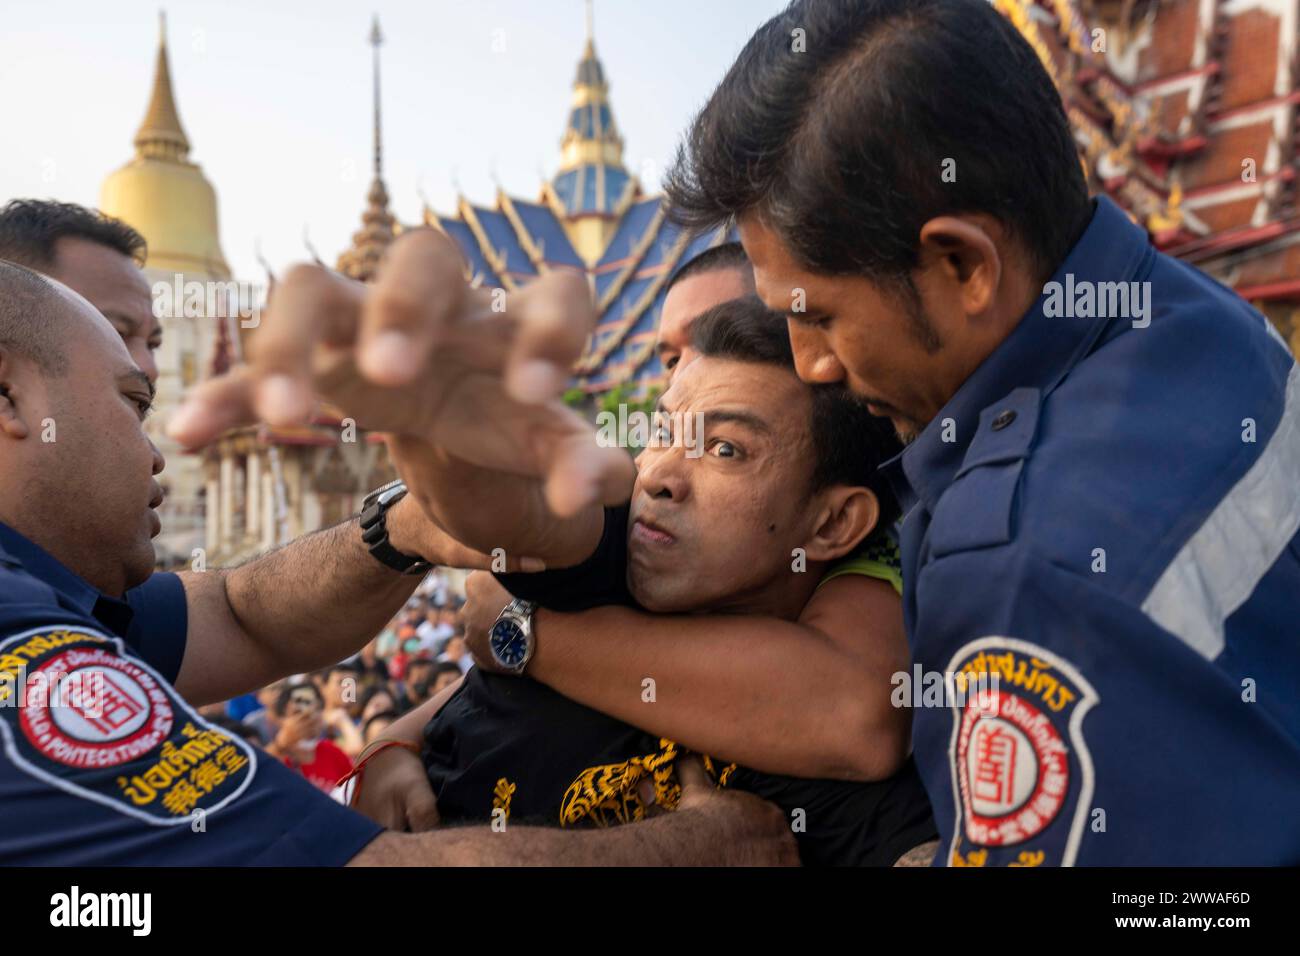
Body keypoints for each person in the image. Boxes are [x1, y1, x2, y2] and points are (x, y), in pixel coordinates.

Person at [661, 0, 1300, 865]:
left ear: (963, 265)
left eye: (816, 317)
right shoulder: (1186, 311)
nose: (809, 364)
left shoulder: (1020, 577)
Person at [0, 260, 795, 865]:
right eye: (135, 403)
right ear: (8, 400)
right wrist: (694, 847)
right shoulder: (31, 668)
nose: (155, 453)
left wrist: (403, 526)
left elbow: (240, 613)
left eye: (726, 447)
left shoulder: (58, 599)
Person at [362, 298, 938, 866]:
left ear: (834, 522)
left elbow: (859, 720)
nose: (657, 475)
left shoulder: (813, 759)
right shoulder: (599, 570)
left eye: (725, 449)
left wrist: (522, 634)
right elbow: (504, 506)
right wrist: (388, 747)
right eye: (661, 432)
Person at [266, 682, 353, 794]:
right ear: (280, 719)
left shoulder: (332, 751)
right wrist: (280, 745)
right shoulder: (275, 758)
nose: (310, 718)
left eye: (316, 709)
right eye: (297, 712)